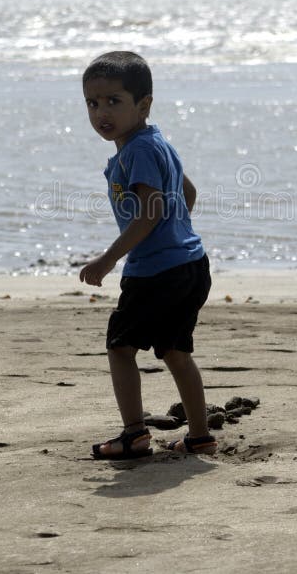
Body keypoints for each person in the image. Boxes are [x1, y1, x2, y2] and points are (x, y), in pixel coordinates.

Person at [79, 51, 216, 459]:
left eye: (113, 101)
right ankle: (200, 436)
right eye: (92, 103)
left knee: (120, 347)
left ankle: (134, 434)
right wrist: (175, 235)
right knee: (176, 351)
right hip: (190, 264)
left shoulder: (137, 151)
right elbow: (187, 194)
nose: (102, 112)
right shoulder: (157, 144)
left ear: (143, 105)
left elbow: (150, 212)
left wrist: (108, 260)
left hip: (156, 273)